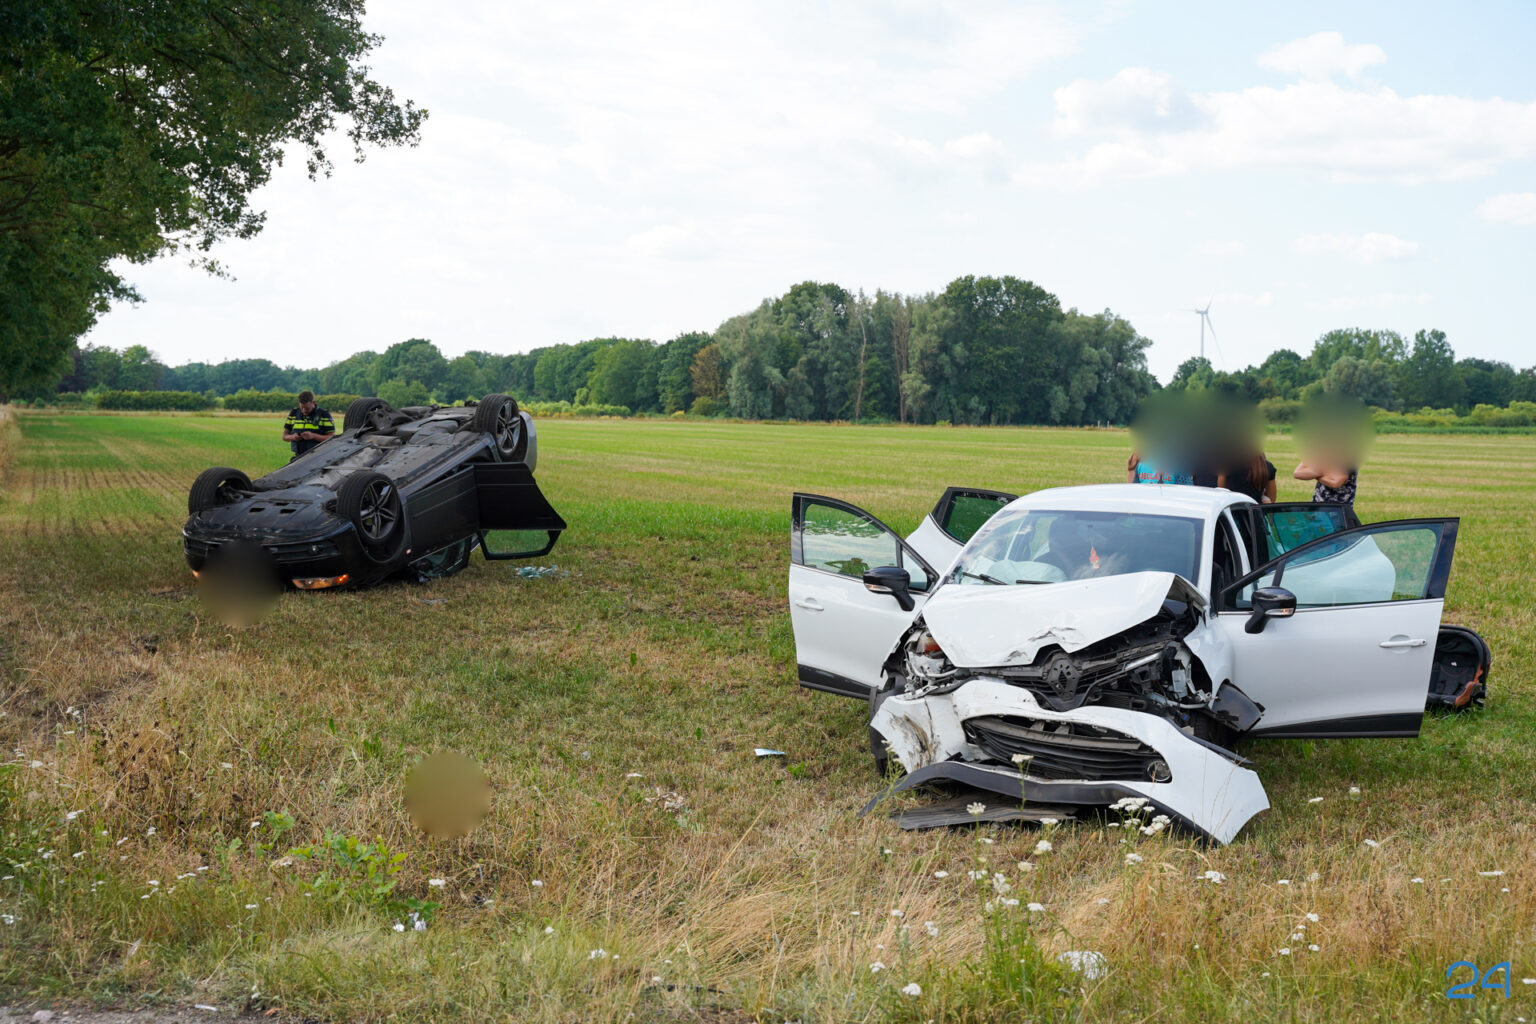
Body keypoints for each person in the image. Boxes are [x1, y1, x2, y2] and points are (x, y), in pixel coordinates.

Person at [283, 391, 334, 460]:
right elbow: (284, 436)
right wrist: (293, 437)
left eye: (307, 408)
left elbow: (332, 437)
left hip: (318, 457)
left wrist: (313, 436)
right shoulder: (294, 413)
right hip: (298, 457)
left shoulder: (324, 414)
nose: (304, 411)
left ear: (314, 403)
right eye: (302, 408)